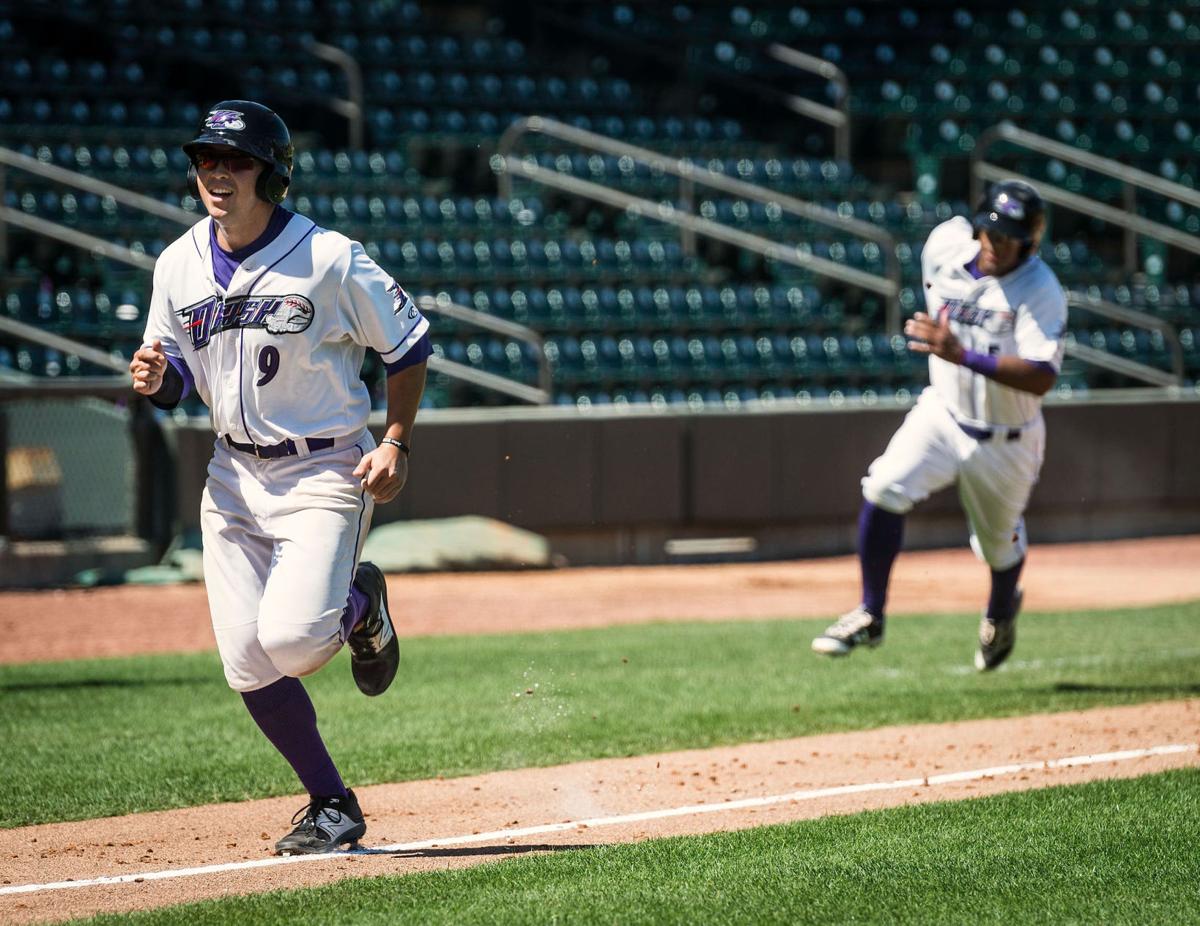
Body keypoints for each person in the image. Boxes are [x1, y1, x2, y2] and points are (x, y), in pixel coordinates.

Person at [129, 100, 432, 854]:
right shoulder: (176, 264)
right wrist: (156, 379)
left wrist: (395, 440)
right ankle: (332, 804)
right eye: (205, 159)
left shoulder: (327, 257)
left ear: (272, 172)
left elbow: (408, 344)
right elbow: (174, 379)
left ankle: (363, 604)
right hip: (231, 475)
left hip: (325, 468)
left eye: (234, 160)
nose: (216, 173)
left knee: (295, 643)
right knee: (246, 660)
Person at [812, 179, 1066, 671]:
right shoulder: (945, 246)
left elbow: (1041, 377)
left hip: (1006, 438)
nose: (998, 245)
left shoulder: (1040, 289)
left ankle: (1000, 610)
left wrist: (961, 354)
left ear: (1030, 244)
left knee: (997, 548)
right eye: (992, 233)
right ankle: (871, 612)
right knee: (884, 485)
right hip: (943, 412)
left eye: (1012, 238)